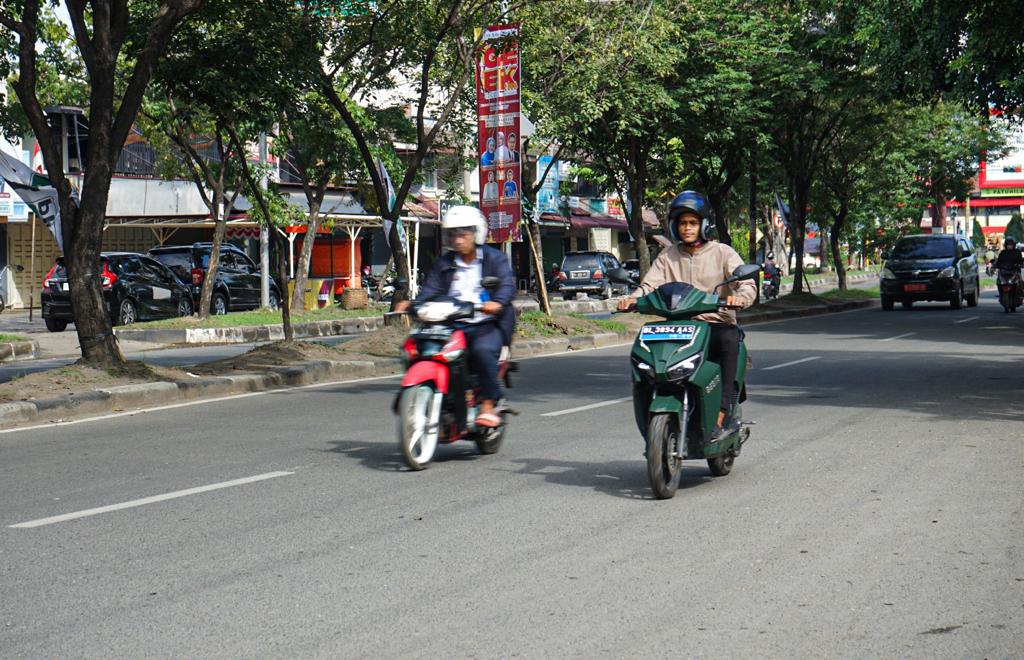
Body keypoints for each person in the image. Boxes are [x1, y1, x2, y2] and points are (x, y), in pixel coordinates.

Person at [617, 190, 756, 440]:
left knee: (728, 340)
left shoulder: (722, 253)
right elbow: (649, 285)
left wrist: (741, 296)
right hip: (677, 326)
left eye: (693, 223)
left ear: (704, 224)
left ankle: (722, 412)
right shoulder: (667, 256)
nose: (687, 228)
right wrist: (632, 299)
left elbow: (744, 281)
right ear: (674, 225)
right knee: (647, 349)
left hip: (714, 324)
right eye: (682, 223)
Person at [395, 206, 516, 428]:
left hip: (484, 323)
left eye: (463, 234)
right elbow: (430, 290)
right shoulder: (444, 262)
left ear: (476, 232)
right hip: (451, 324)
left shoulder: (494, 259)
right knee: (417, 347)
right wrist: (413, 304)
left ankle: (488, 403)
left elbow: (507, 286)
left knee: (481, 350)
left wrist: (496, 303)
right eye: (453, 234)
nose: (458, 240)